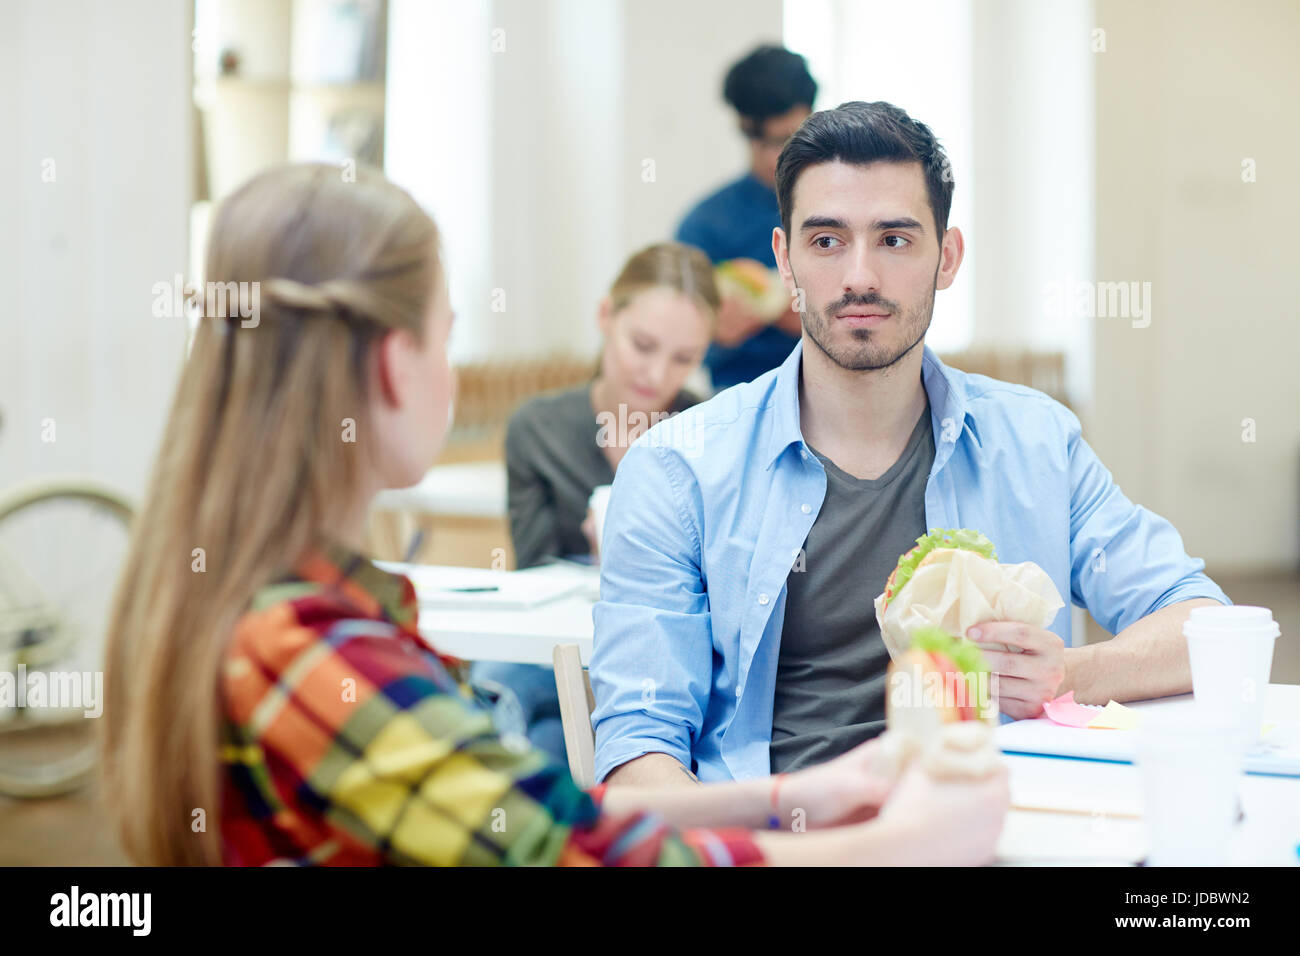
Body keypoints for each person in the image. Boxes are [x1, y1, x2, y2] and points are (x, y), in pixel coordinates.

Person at [99, 162, 1008, 866]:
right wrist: (899, 845)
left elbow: (551, 815)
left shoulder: (292, 617)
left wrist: (816, 792)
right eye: (447, 335)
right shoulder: (308, 653)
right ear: (390, 362)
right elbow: (576, 857)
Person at [591, 101, 1231, 787]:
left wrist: (1067, 673)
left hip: (999, 832)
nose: (859, 277)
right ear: (785, 259)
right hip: (782, 841)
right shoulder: (677, 468)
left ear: (946, 258)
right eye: (827, 241)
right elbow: (638, 754)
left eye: (894, 240)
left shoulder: (1036, 442)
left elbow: (1205, 627)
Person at [472, 242, 717, 762]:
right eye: (642, 344)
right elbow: (533, 576)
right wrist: (590, 560)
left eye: (684, 359)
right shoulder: (538, 429)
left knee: (538, 736)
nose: (656, 373)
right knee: (528, 708)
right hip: (559, 649)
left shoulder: (711, 433)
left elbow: (721, 596)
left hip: (663, 656)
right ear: (606, 316)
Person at [676, 44, 816, 391]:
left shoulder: (844, 210)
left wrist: (819, 322)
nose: (774, 157)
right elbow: (674, 344)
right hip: (736, 401)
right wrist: (715, 336)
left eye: (787, 138)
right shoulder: (705, 225)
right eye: (759, 140)